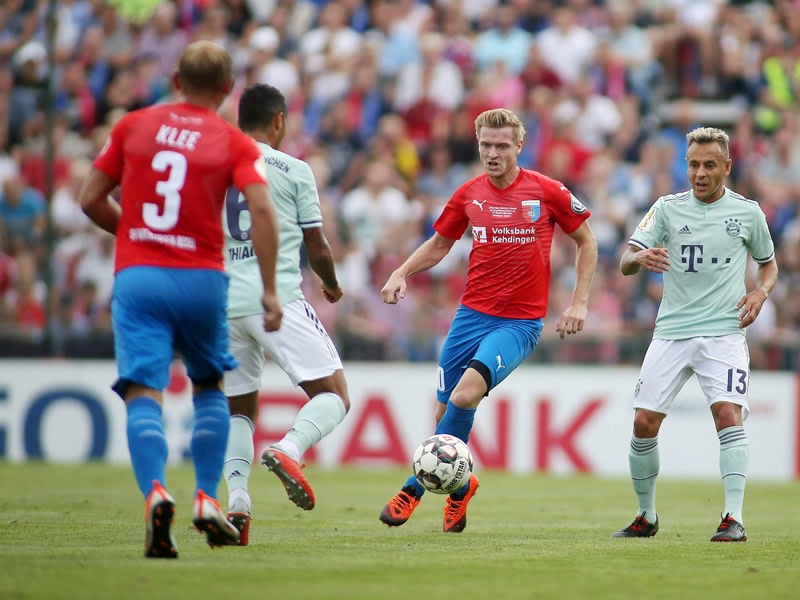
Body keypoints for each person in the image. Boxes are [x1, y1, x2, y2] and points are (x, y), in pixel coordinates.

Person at [79, 41, 283, 559]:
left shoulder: (132, 126)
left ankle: (155, 493)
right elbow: (261, 211)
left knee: (143, 390)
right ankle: (204, 497)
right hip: (203, 280)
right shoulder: (233, 141)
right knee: (210, 386)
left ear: (174, 79)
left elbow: (89, 199)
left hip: (140, 276)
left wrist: (135, 233)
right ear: (227, 89)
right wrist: (269, 288)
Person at [378, 108, 598, 532]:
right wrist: (401, 271)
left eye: (502, 146)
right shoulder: (468, 194)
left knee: (463, 398)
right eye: (486, 145)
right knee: (445, 411)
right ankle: (461, 489)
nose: (493, 153)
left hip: (518, 324)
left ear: (519, 145)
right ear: (477, 144)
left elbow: (586, 241)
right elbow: (441, 244)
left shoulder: (547, 191)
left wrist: (579, 302)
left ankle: (412, 489)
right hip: (470, 316)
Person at [612, 126, 778, 542]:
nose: (699, 173)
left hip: (723, 331)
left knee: (728, 414)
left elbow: (769, 264)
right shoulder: (666, 209)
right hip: (671, 331)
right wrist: (640, 257)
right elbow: (625, 261)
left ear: (727, 166)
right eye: (692, 164)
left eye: (708, 165)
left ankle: (733, 518)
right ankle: (645, 516)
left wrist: (760, 291)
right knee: (644, 422)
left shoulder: (748, 212)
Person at [221, 83, 350, 546]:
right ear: (279, 121)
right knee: (334, 393)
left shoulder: (215, 166)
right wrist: (331, 284)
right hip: (274, 298)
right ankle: (289, 448)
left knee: (240, 410)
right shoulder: (292, 168)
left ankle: (238, 502)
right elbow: (316, 244)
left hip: (221, 303)